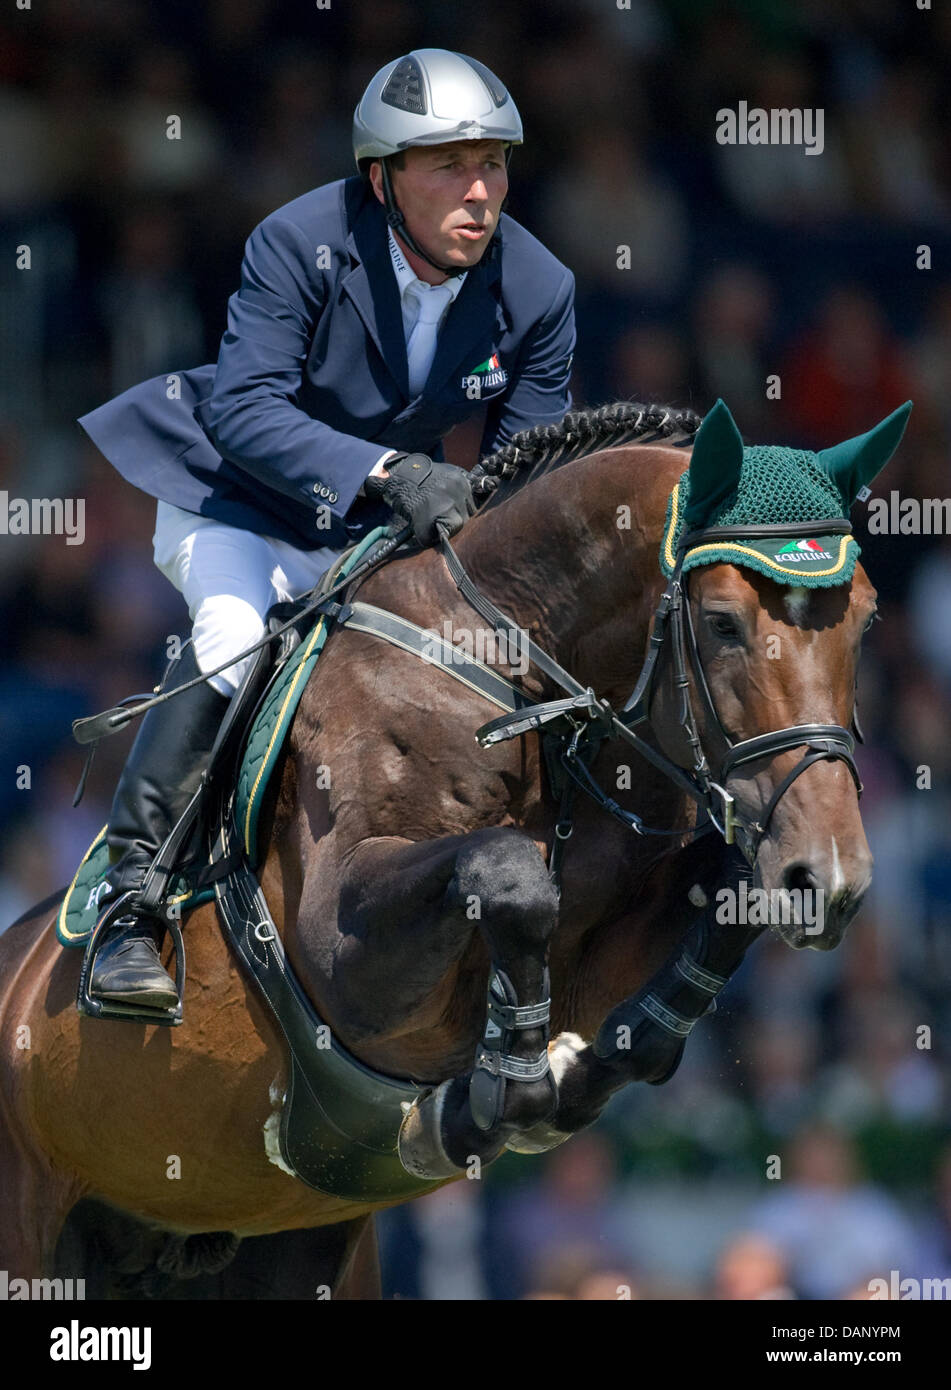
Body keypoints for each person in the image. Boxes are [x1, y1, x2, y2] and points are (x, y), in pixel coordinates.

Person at [76, 48, 577, 1011]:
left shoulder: (538, 287)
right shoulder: (297, 239)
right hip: (234, 494)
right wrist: (392, 470)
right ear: (381, 178)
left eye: (496, 165)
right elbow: (248, 411)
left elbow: (526, 476)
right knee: (235, 644)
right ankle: (128, 902)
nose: (481, 193)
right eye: (450, 166)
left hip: (367, 522)